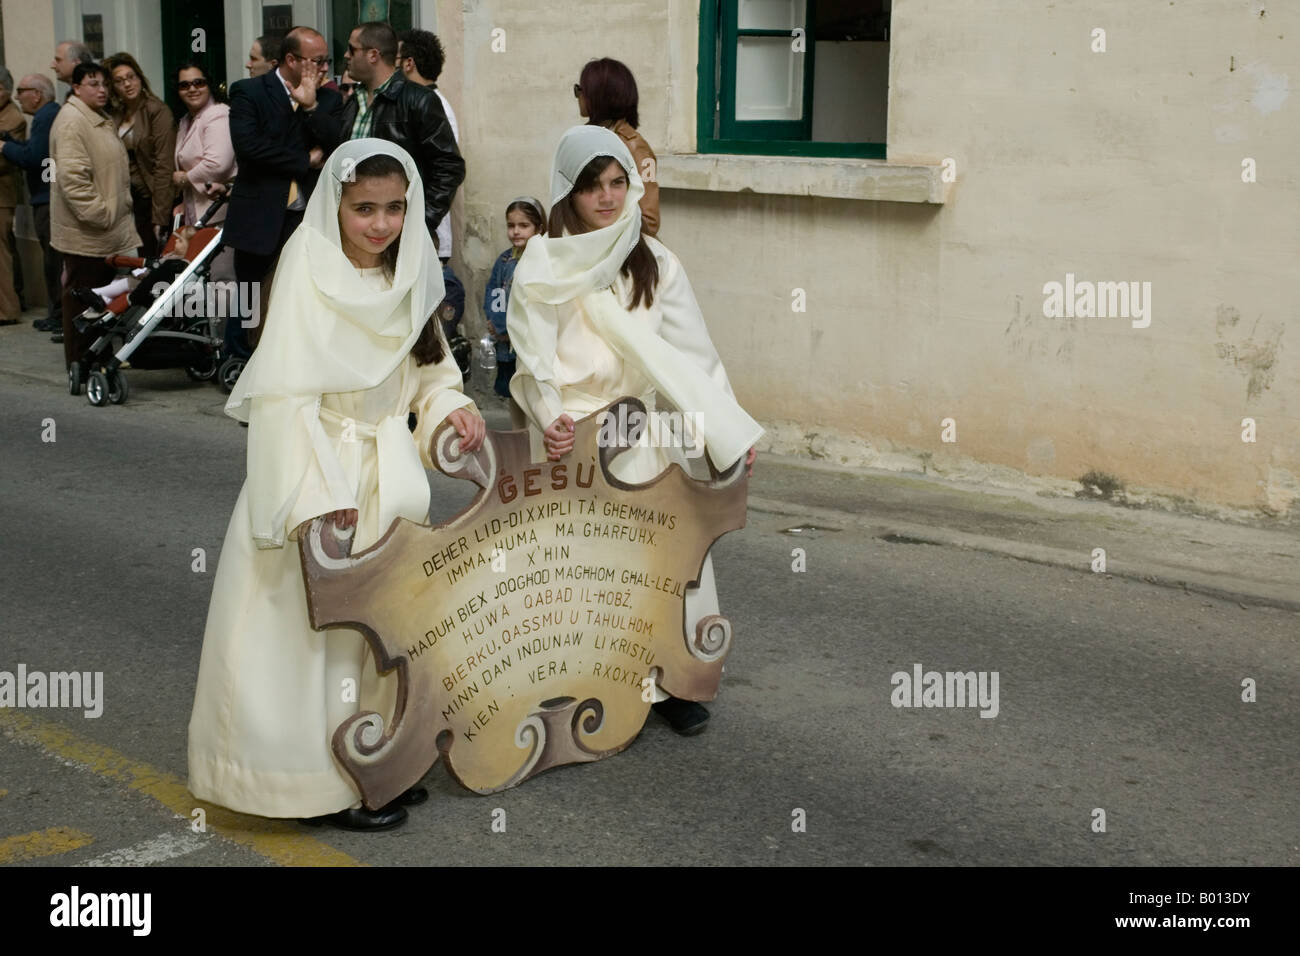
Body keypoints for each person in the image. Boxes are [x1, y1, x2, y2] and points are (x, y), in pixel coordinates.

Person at [188, 139, 486, 829]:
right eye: (364, 210)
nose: (381, 225)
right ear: (337, 207)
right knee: (312, 635)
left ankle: (379, 764)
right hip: (319, 477)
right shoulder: (307, 268)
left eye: (394, 209)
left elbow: (432, 372)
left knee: (381, 634)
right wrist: (318, 497)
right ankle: (313, 783)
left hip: (390, 483)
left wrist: (454, 410)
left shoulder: (408, 274)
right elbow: (286, 398)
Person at [507, 126, 759, 735]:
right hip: (572, 435)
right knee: (579, 566)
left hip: (641, 434)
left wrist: (724, 430)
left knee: (659, 559)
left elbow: (693, 356)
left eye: (619, 183)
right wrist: (550, 418)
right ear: (568, 191)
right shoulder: (543, 263)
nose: (609, 197)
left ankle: (668, 681)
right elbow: (530, 359)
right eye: (593, 186)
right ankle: (581, 684)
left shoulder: (656, 261)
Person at [224, 25, 343, 363]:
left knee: (299, 295)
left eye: (325, 61)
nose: (323, 68)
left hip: (305, 216)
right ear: (291, 59)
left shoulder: (329, 99)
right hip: (258, 215)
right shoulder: (249, 91)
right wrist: (304, 159)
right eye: (316, 61)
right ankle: (241, 362)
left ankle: (288, 366)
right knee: (250, 295)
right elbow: (249, 148)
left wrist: (309, 107)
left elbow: (335, 145)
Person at [341, 21, 463, 248]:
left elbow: (449, 167)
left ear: (373, 55)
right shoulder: (353, 101)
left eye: (352, 49)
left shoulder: (419, 100)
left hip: (397, 232)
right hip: (354, 229)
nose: (346, 55)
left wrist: (419, 222)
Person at [49, 61, 140, 360]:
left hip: (105, 232)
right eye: (93, 84)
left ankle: (95, 360)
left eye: (104, 84)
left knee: (97, 299)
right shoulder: (73, 122)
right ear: (76, 88)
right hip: (88, 235)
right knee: (83, 300)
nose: (102, 90)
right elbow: (73, 180)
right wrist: (102, 215)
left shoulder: (95, 117)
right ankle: (82, 364)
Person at [1, 75, 61, 332]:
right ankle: (56, 314)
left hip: (47, 197)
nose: (17, 96)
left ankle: (59, 316)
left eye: (21, 91)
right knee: (52, 261)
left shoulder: (45, 117)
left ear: (36, 94)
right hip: (43, 197)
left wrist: (4, 147)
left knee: (54, 262)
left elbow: (34, 157)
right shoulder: (45, 115)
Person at [574, 58, 658, 237]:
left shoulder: (636, 148)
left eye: (579, 90)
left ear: (598, 95)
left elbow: (650, 220)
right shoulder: (585, 137)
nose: (578, 97)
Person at [104, 53, 176, 258]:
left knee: (153, 261)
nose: (127, 84)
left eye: (131, 77)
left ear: (140, 78)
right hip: (128, 199)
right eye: (119, 81)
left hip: (152, 200)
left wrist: (160, 217)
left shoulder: (157, 111)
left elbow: (164, 165)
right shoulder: (116, 114)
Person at [397, 29, 458, 263]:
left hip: (427, 236)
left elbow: (447, 169)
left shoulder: (431, 104)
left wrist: (423, 221)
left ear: (408, 63)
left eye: (395, 61)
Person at [485, 197, 545, 398]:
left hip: (531, 341)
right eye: (511, 226)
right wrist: (496, 323)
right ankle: (518, 429)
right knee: (513, 390)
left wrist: (516, 329)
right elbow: (495, 293)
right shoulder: (504, 260)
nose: (516, 231)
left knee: (534, 391)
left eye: (524, 225)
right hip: (505, 340)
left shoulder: (544, 260)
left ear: (538, 228)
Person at [172, 62, 236, 226]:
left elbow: (217, 164)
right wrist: (185, 203)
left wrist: (185, 178)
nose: (192, 89)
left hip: (219, 213)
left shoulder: (218, 114)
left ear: (209, 85)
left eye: (198, 83)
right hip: (197, 214)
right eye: (184, 85)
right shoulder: (186, 120)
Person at [0, 67, 27, 325]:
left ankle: (7, 310)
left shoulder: (12, 118)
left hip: (3, 196)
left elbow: (4, 160)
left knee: (2, 254)